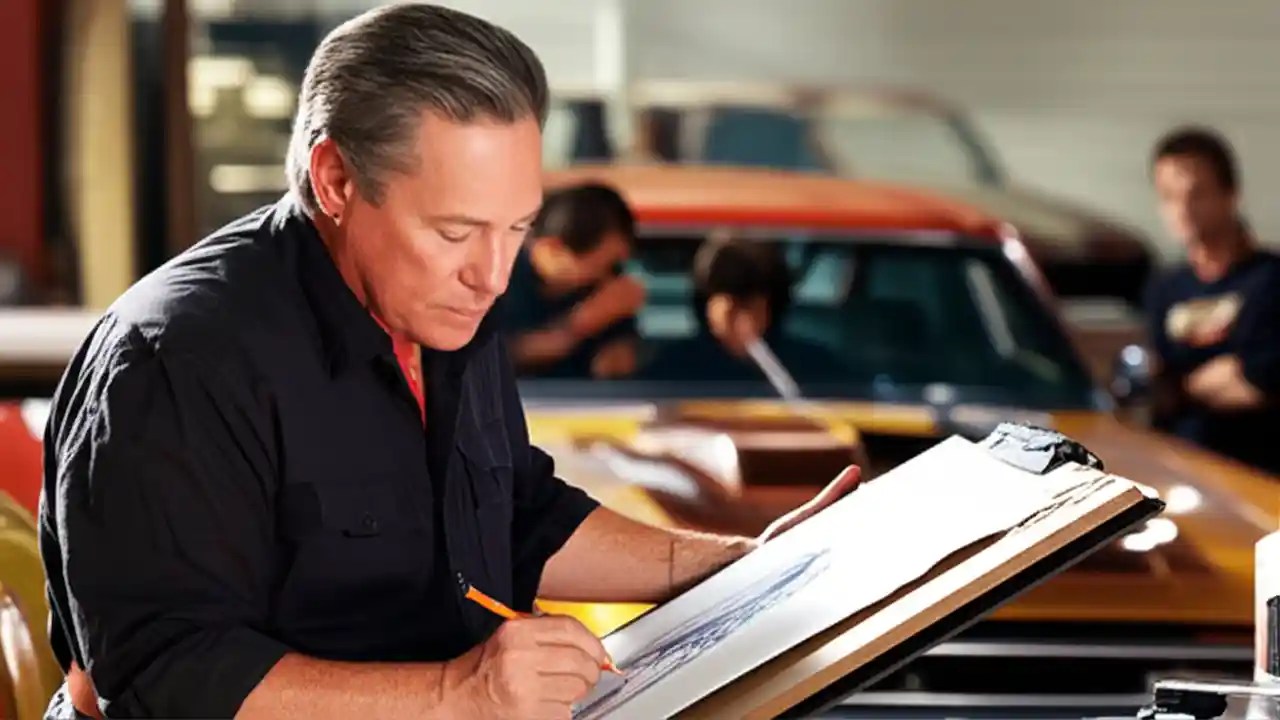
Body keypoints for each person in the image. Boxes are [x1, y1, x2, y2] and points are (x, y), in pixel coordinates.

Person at [37, 5, 860, 719]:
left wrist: (738, 569)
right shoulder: (176, 360)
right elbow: (164, 680)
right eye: (456, 232)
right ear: (334, 179)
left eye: (518, 230)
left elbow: (514, 511)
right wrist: (458, 698)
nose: (493, 276)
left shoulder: (448, 304)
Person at [1144, 126, 1280, 474]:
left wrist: (1183, 386)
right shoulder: (1165, 288)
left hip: (1258, 470)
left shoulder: (1268, 279)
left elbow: (1256, 383)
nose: (1183, 208)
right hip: (1181, 469)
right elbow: (1157, 388)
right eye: (1169, 196)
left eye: (1197, 194)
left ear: (1230, 195)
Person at [645, 237, 847, 385]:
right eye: (730, 307)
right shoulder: (671, 371)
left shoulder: (817, 370)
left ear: (772, 308)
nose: (739, 318)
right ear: (706, 308)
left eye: (749, 305)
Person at [500, 182, 645, 379]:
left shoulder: (601, 291)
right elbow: (495, 357)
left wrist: (619, 356)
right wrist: (581, 323)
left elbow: (617, 364)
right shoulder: (493, 284)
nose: (611, 277)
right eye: (607, 265)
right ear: (553, 250)